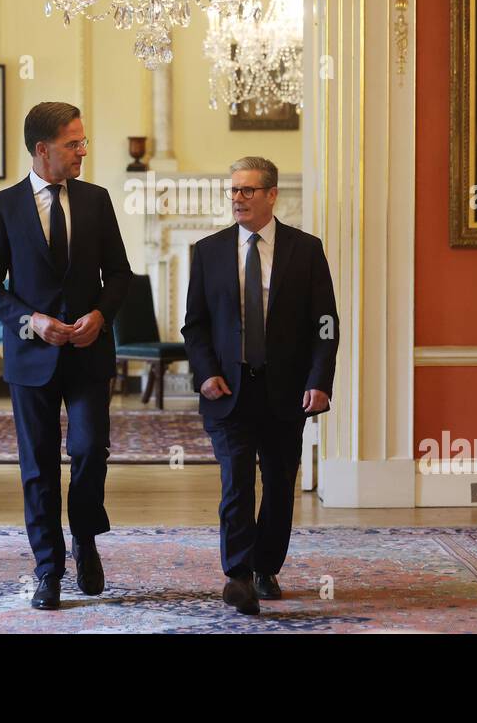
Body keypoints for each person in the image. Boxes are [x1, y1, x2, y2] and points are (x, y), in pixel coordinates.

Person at [0, 101, 131, 610]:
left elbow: (121, 276)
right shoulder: (1, 207)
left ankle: (84, 538)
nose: (83, 150)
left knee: (88, 452)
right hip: (31, 358)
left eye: (83, 141)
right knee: (38, 466)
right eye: (73, 143)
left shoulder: (97, 200)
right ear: (43, 150)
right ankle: (48, 569)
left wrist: (101, 317)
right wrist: (31, 320)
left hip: (88, 354)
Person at [181, 156, 339, 615]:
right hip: (228, 391)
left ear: (272, 194)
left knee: (278, 485)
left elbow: (325, 323)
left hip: (286, 390)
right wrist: (205, 372)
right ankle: (237, 575)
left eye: (248, 191)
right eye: (232, 190)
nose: (238, 198)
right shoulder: (207, 251)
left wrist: (319, 380)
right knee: (235, 484)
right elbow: (195, 326)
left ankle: (267, 566)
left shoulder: (305, 250)